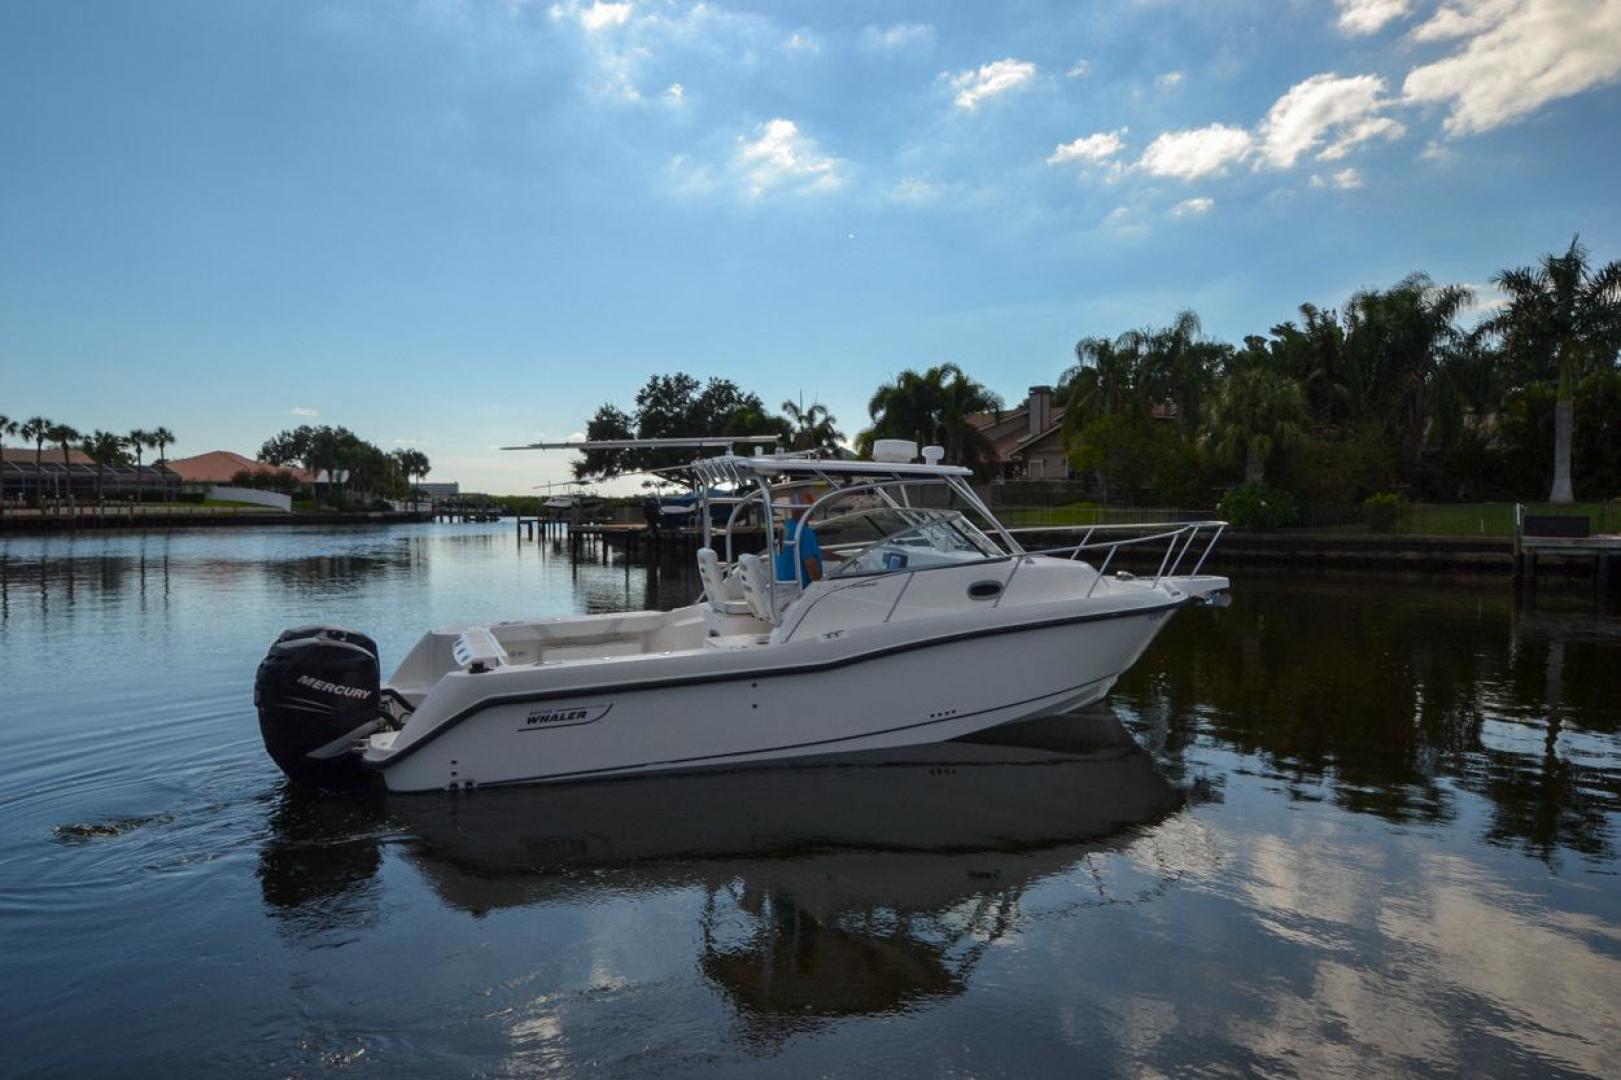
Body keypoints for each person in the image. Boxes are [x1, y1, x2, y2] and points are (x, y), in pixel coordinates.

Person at [774, 489, 824, 586]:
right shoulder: (805, 532)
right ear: (803, 510)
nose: (813, 514)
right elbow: (811, 563)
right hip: (802, 588)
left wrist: (839, 558)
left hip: (785, 586)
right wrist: (820, 587)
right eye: (812, 510)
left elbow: (812, 552)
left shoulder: (783, 529)